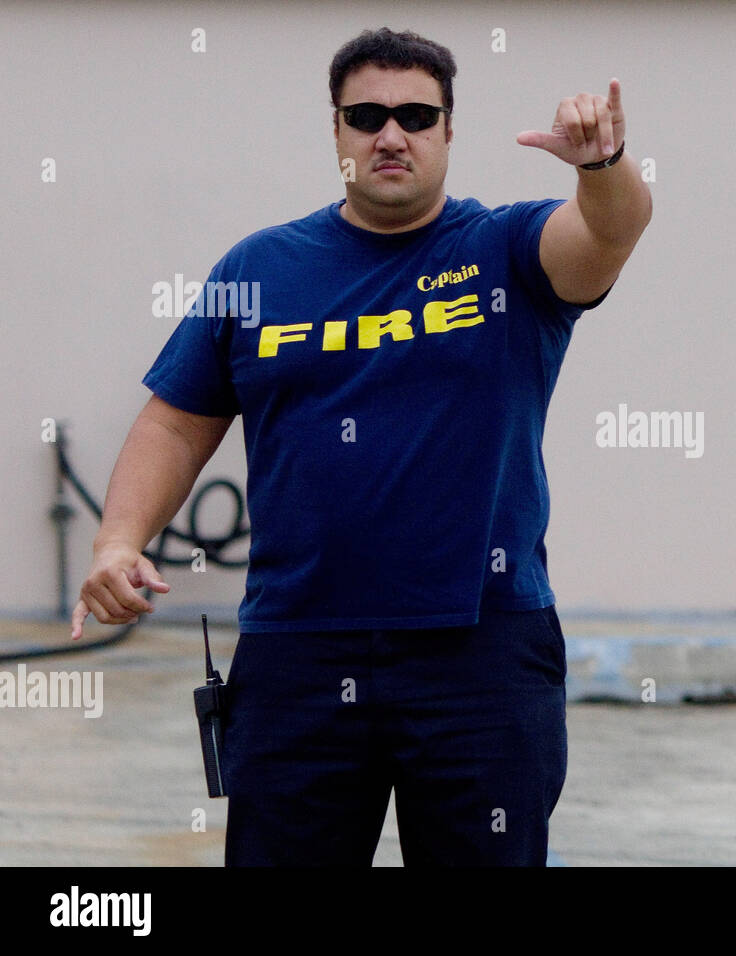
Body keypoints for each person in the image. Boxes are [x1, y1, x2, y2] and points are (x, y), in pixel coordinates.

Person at [69, 27, 652, 866]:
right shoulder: (260, 267)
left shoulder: (505, 252)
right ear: (336, 130)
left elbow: (610, 233)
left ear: (449, 130)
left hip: (482, 654)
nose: (391, 134)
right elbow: (176, 418)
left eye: (417, 114)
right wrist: (118, 540)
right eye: (367, 115)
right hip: (297, 649)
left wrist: (602, 165)